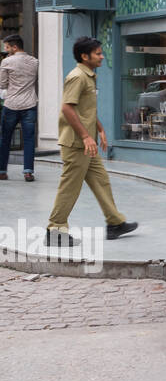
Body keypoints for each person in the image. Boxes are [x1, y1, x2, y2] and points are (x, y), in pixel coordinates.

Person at [48, 37, 138, 247]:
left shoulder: (89, 76)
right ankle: (54, 229)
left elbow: (84, 110)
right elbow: (67, 108)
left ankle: (115, 222)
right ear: (84, 56)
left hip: (87, 145)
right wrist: (87, 136)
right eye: (98, 53)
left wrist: (100, 130)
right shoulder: (77, 77)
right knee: (70, 187)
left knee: (101, 180)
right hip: (76, 144)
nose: (101, 56)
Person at [0, 34, 39, 181]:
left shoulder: (6, 62)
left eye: (7, 47)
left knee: (5, 138)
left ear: (14, 47)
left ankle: (2, 171)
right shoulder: (35, 62)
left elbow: (2, 84)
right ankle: (28, 172)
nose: (6, 50)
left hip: (11, 104)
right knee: (29, 139)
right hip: (29, 104)